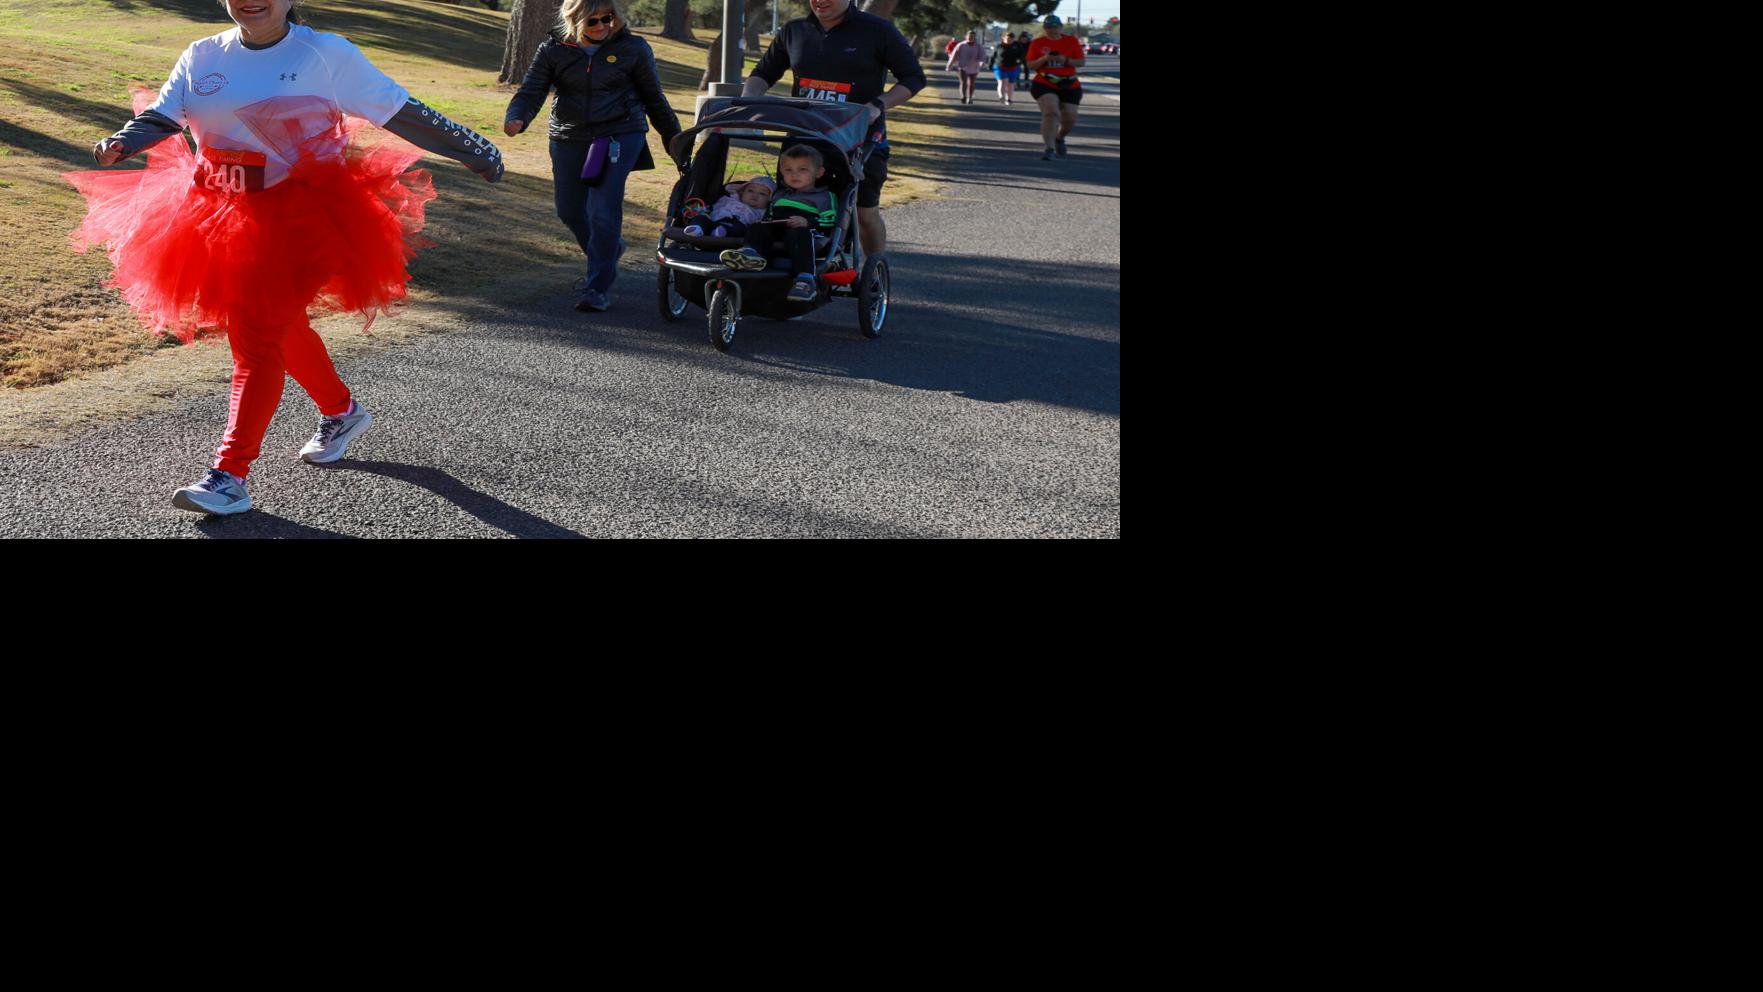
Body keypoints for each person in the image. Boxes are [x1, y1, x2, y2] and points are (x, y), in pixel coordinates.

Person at [66, 0, 504, 516]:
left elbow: (400, 110)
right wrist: (123, 142)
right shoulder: (203, 54)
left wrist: (476, 149)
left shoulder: (325, 54)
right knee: (279, 326)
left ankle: (229, 476)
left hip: (304, 217)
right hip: (220, 214)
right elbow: (166, 114)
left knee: (256, 336)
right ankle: (341, 410)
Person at [504, 0, 681, 312]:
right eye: (592, 21)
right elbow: (531, 91)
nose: (601, 26)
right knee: (569, 210)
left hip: (619, 133)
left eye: (607, 18)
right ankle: (609, 251)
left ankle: (596, 288)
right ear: (575, 21)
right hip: (569, 135)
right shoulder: (553, 49)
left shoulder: (633, 48)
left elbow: (654, 97)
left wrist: (674, 139)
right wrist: (516, 117)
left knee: (603, 210)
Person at [742, 0, 925, 259]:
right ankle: (797, 270)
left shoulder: (878, 30)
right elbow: (763, 73)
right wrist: (748, 100)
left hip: (859, 140)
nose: (820, 1)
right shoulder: (794, 30)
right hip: (803, 142)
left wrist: (877, 106)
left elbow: (914, 77)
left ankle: (873, 271)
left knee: (863, 213)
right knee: (792, 206)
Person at [718, 145, 836, 304]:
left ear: (819, 173)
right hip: (778, 230)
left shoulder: (824, 196)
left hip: (808, 233)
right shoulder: (779, 194)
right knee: (758, 226)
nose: (794, 174)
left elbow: (831, 221)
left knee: (798, 233)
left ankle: (806, 279)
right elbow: (769, 216)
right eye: (788, 170)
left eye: (802, 170)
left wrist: (807, 222)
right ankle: (751, 254)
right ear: (781, 172)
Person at [1026, 14, 1085, 161]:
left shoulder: (1071, 41)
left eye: (1055, 27)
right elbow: (1030, 65)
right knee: (1051, 112)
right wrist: (1044, 59)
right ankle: (1049, 148)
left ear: (1060, 27)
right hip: (1044, 83)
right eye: (1048, 27)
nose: (1052, 30)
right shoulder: (1037, 43)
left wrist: (1065, 60)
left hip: (1069, 84)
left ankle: (1059, 138)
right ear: (1044, 28)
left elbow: (1081, 62)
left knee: (1070, 117)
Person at [684, 176, 774, 238]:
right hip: (713, 220)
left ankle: (719, 233)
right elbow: (714, 206)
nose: (755, 195)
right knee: (702, 217)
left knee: (740, 230)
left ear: (769, 199)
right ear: (742, 192)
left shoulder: (763, 212)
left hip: (734, 226)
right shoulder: (730, 199)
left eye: (762, 194)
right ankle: (696, 228)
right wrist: (704, 209)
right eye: (750, 191)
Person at [946, 30, 985, 105]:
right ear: (966, 37)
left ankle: (970, 97)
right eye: (969, 36)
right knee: (963, 82)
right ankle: (963, 96)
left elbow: (982, 55)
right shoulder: (961, 45)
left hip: (974, 67)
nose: (971, 38)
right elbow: (953, 55)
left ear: (975, 37)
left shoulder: (978, 46)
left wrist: (981, 62)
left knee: (972, 83)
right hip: (962, 66)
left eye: (972, 36)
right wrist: (949, 65)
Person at [990, 31, 1023, 105]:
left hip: (1013, 67)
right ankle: (1001, 96)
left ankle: (1009, 99)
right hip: (1000, 67)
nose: (1009, 40)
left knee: (1011, 83)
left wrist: (1020, 60)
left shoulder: (1017, 46)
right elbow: (993, 56)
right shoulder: (999, 46)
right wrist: (990, 64)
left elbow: (1022, 55)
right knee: (1002, 81)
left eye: (1011, 39)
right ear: (1003, 38)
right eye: (1007, 38)